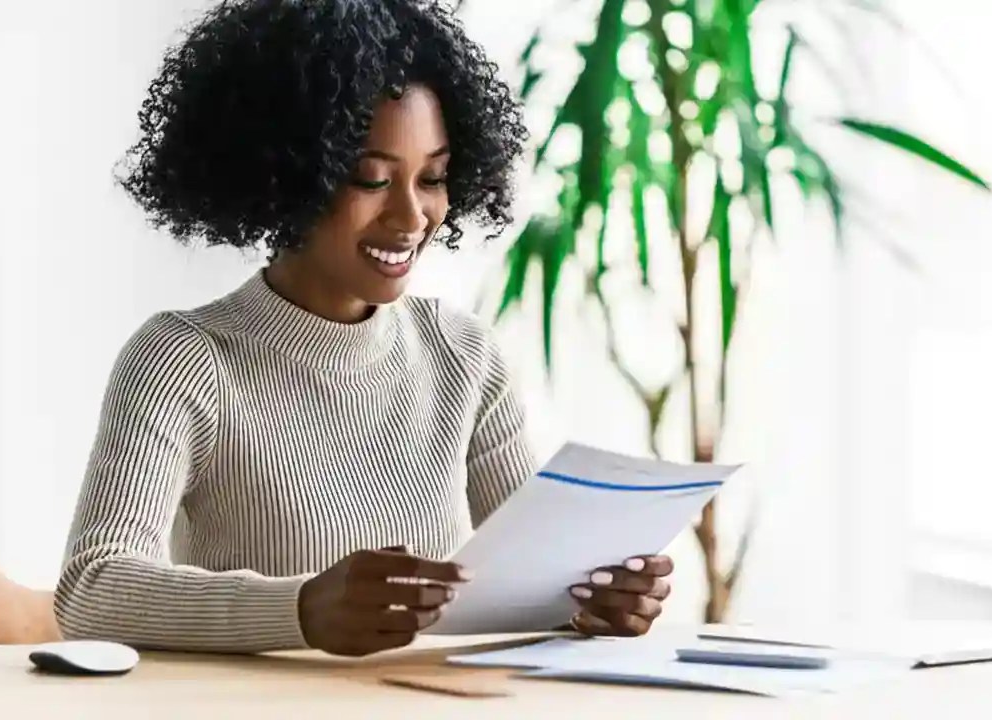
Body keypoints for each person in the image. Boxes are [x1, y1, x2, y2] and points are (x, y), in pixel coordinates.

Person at [55, 0, 673, 657]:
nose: (411, 216)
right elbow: (91, 589)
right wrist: (299, 609)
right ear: (286, 175)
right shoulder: (186, 360)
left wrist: (591, 602)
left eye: (432, 178)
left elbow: (535, 583)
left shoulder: (462, 357)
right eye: (371, 179)